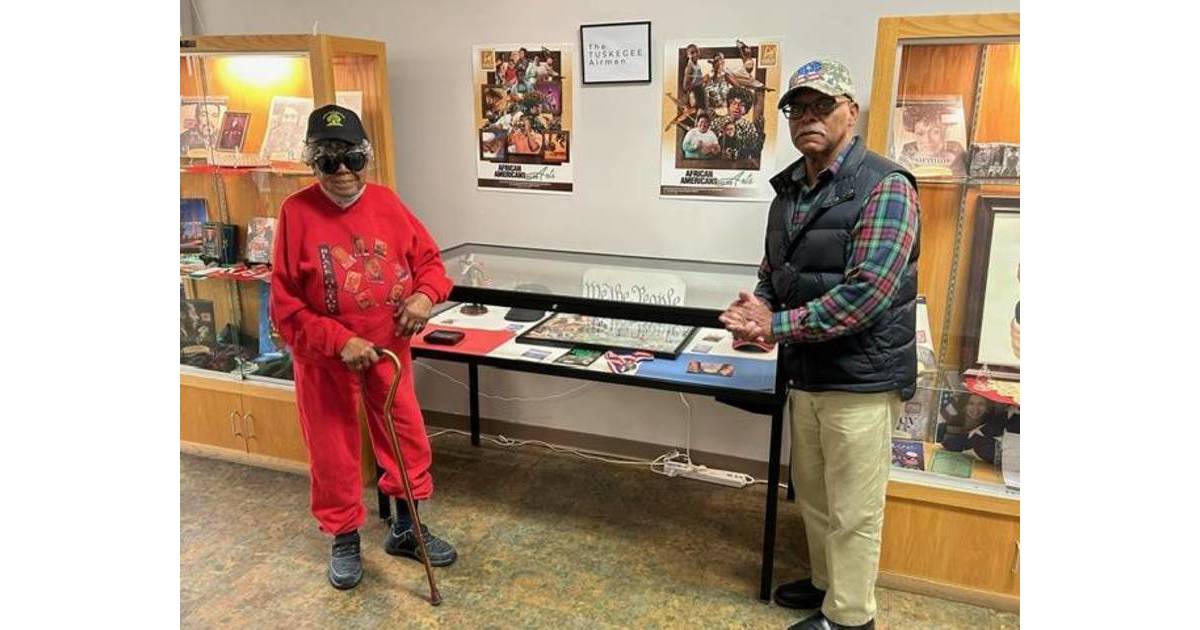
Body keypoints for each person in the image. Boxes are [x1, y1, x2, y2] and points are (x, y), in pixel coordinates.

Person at [719, 59, 920, 630]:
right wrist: (754, 312)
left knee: (855, 510)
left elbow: (867, 297)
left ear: (850, 113)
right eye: (797, 109)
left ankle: (852, 618)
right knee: (812, 496)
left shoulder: (886, 187)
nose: (808, 118)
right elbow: (773, 272)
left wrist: (773, 327)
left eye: (822, 106)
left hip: (862, 378)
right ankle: (830, 586)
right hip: (806, 371)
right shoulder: (789, 190)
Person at [270, 104, 457, 591]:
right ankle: (345, 537)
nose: (344, 172)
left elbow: (432, 264)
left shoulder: (388, 203)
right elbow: (285, 307)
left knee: (406, 434)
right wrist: (338, 340)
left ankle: (406, 527)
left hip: (388, 351)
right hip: (326, 359)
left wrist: (423, 296)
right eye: (329, 161)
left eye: (353, 158)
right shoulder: (296, 213)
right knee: (332, 448)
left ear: (366, 156)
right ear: (312, 161)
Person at [897, 104, 966, 177]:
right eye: (920, 134)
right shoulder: (908, 152)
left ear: (945, 132)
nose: (927, 140)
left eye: (935, 132)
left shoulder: (956, 151)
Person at [712, 87, 764, 163]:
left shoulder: (749, 127)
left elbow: (754, 150)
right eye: (734, 103)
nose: (737, 107)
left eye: (741, 105)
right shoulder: (717, 122)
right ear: (729, 104)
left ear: (746, 108)